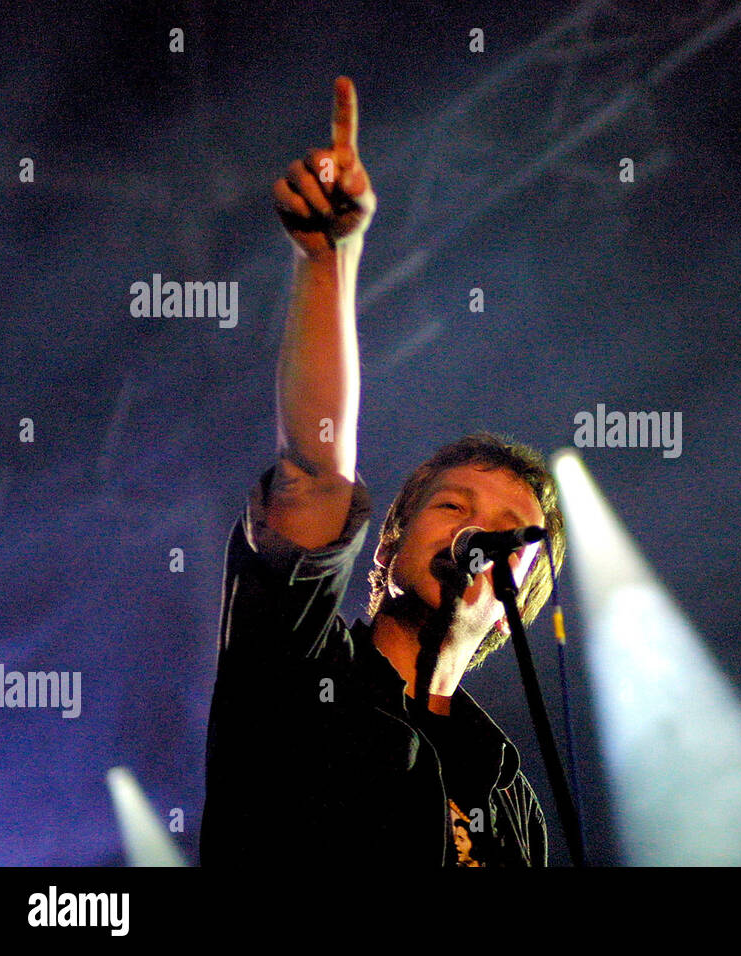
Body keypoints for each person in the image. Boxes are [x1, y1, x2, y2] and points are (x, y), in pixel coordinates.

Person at [200, 77, 566, 867]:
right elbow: (313, 471)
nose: (476, 528)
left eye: (508, 532)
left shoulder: (511, 797)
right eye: (453, 505)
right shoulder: (297, 675)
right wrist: (330, 259)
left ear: (515, 610)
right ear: (387, 545)